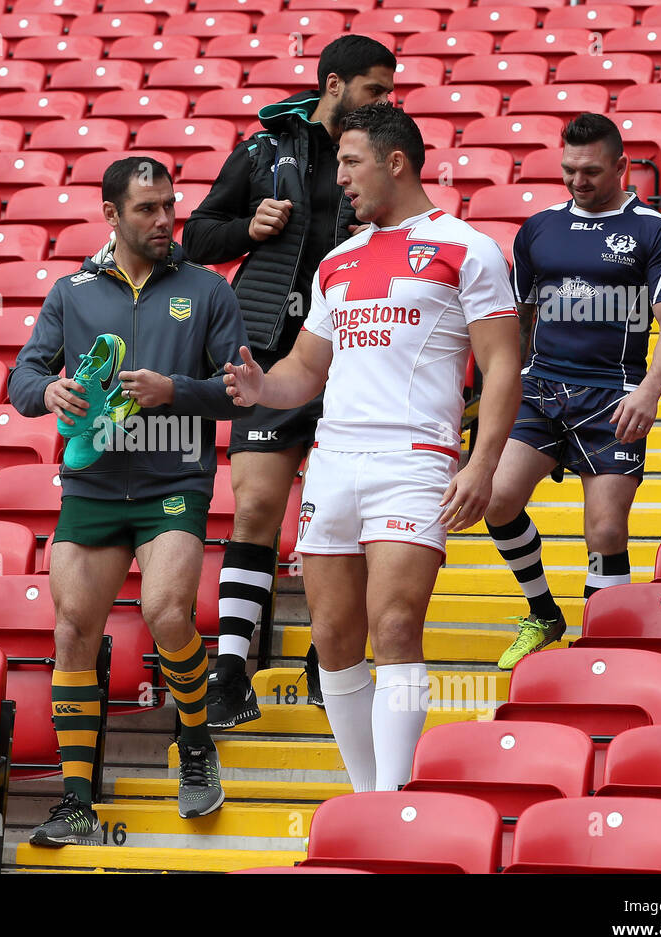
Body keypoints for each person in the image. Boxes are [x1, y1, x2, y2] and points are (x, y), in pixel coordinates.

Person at [223, 103, 522, 792]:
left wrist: (482, 463)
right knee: (331, 639)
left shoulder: (465, 248)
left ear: (396, 161)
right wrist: (259, 386)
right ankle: (365, 795)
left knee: (394, 626)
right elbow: (306, 370)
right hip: (333, 461)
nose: (342, 178)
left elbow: (503, 365)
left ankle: (392, 793)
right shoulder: (338, 261)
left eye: (352, 161)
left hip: (414, 461)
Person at [9, 157, 247, 845]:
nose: (165, 220)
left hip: (174, 481)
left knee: (168, 611)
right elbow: (25, 374)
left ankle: (196, 745)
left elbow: (237, 388)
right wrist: (47, 392)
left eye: (169, 205)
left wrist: (177, 391)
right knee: (72, 630)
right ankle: (77, 802)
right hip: (94, 484)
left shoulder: (207, 290)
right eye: (147, 209)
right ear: (111, 215)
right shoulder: (73, 292)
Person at [182, 34, 397, 727]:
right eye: (374, 90)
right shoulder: (264, 149)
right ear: (334, 85)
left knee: (348, 514)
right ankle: (231, 671)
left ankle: (325, 653)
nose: (384, 102)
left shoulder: (382, 156)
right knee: (254, 509)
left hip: (357, 356)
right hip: (273, 352)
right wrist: (250, 225)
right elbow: (198, 238)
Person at [486, 113, 661, 671]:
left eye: (592, 171)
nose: (579, 181)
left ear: (623, 166)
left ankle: (602, 651)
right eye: (569, 170)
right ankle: (543, 612)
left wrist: (650, 391)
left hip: (614, 396)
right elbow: (516, 318)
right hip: (542, 389)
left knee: (604, 528)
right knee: (498, 499)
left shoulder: (654, 230)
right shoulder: (538, 229)